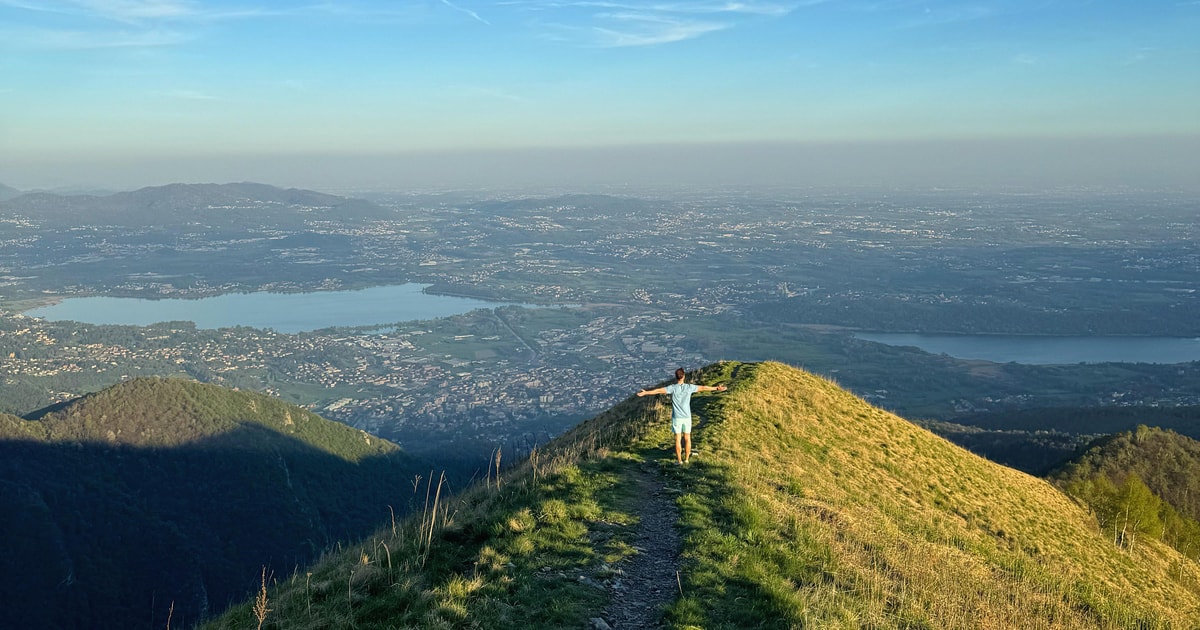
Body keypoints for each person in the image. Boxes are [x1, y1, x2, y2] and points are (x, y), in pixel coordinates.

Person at [638, 368, 727, 464]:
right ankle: (687, 459)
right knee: (687, 438)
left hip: (677, 417)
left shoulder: (672, 388)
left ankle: (679, 461)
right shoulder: (689, 387)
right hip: (687, 417)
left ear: (676, 377)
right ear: (684, 376)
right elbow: (703, 388)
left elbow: (659, 390)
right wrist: (716, 388)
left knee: (677, 439)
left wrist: (646, 392)